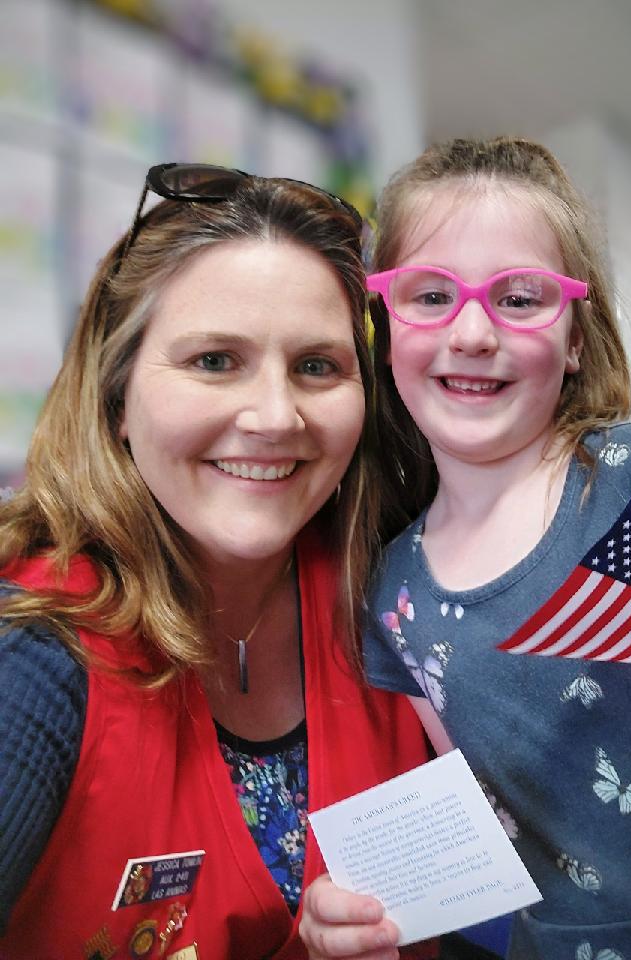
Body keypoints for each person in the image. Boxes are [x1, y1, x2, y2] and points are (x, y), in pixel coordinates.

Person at [297, 137, 631, 960]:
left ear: (577, 338)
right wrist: (355, 917)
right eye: (429, 295)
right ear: (384, 328)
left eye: (520, 298)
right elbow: (476, 833)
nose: (473, 331)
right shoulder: (390, 593)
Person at [0, 164, 434, 960]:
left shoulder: (407, 605)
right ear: (117, 394)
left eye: (316, 366)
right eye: (213, 361)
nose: (274, 417)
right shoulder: (31, 652)